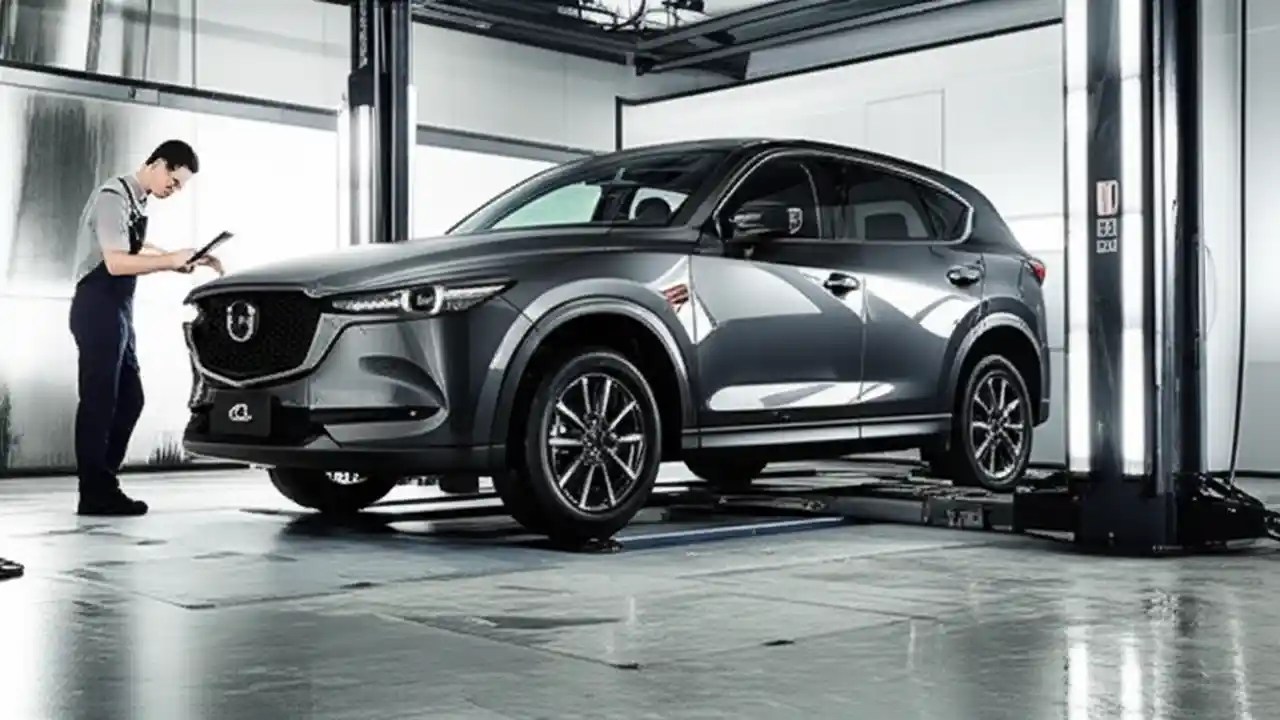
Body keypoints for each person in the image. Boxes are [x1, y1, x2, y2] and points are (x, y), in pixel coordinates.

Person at [69, 139, 223, 516]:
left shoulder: (136, 200)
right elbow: (118, 262)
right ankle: (94, 492)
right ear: (157, 163)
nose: (174, 190)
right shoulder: (112, 196)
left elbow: (136, 244)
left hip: (118, 309)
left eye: (180, 186)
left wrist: (186, 255)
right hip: (97, 304)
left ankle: (103, 483)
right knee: (99, 402)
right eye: (174, 180)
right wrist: (170, 261)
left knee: (130, 398)